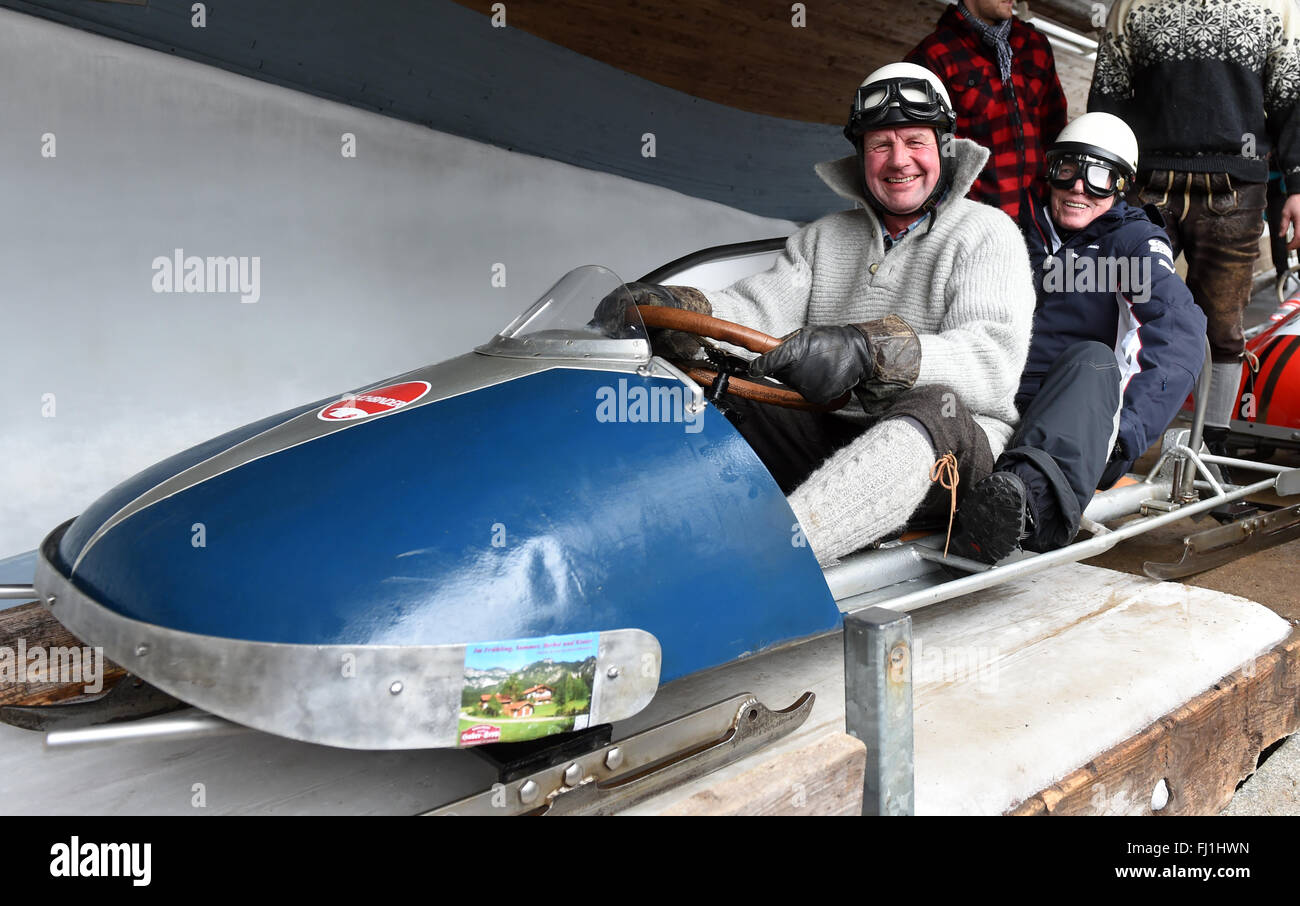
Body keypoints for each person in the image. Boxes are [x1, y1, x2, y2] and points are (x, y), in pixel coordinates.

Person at [598, 63, 1036, 566]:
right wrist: (683, 306)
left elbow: (992, 362)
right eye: (880, 145)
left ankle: (768, 565)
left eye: (915, 141)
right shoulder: (822, 236)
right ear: (860, 155)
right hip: (831, 427)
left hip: (952, 450)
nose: (899, 161)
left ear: (944, 147)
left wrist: (875, 351)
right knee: (716, 391)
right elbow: (758, 311)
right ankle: (625, 540)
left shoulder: (987, 232)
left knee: (937, 403)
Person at [949, 113, 1207, 562]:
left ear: (1121, 185)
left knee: (1092, 360)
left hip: (1074, 416)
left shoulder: (1130, 244)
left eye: (1100, 176)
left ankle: (1022, 508)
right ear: (1050, 171)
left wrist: (1124, 434)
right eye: (1067, 169)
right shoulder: (1010, 232)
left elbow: (1178, 331)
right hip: (993, 401)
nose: (1079, 187)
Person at [1088, 0, 1300, 458]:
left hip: (1235, 189)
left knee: (1222, 326)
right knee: (1114, 308)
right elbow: (1108, 93)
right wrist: (1099, 178)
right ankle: (1100, 439)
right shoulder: (1130, 4)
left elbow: (1291, 97)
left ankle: (1210, 451)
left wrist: (1298, 183)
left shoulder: (1279, 4)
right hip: (1144, 185)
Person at [905, 0, 1069, 226]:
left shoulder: (1035, 45)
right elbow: (925, 151)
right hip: (973, 220)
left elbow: (1056, 129)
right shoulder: (934, 55)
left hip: (1038, 217)